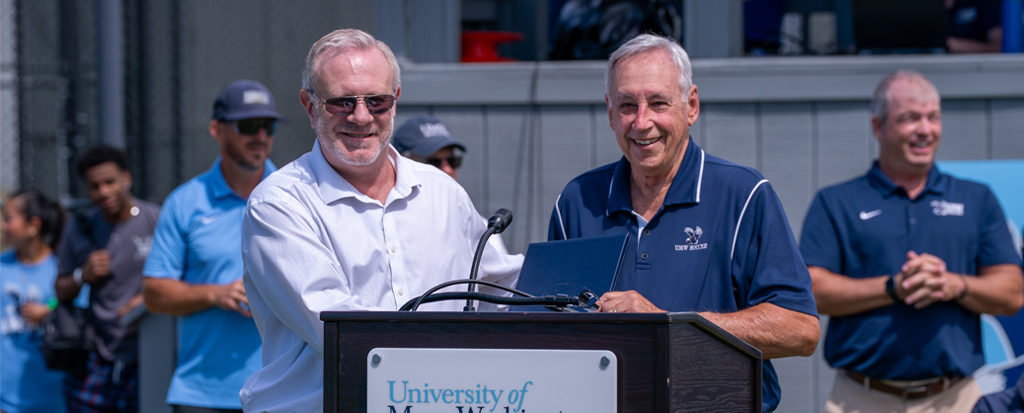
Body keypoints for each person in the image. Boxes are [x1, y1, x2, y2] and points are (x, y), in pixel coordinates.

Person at [239, 28, 522, 412]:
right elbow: (342, 330)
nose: (361, 116)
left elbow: (502, 289)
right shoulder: (280, 204)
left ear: (396, 101)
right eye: (341, 102)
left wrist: (587, 302)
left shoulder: (442, 191)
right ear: (309, 106)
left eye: (377, 101)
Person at [546, 33, 820, 412]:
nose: (642, 123)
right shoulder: (577, 201)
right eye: (627, 105)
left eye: (658, 103)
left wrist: (667, 324)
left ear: (691, 106)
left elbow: (799, 330)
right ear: (610, 113)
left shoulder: (742, 194)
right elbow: (549, 331)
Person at [800, 70, 1024, 412]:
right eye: (909, 118)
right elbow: (810, 291)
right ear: (878, 127)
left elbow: (1011, 293)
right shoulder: (837, 201)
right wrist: (893, 287)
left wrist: (954, 284)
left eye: (933, 117)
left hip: (959, 399)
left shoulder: (976, 198)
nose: (925, 129)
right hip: (860, 400)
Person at [142, 80, 283, 413]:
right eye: (248, 125)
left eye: (268, 126)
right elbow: (153, 292)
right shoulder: (184, 202)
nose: (261, 136)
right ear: (216, 130)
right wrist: (215, 294)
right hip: (202, 395)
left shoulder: (297, 196)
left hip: (285, 390)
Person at [54, 145, 160, 413]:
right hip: (98, 355)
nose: (103, 192)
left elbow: (184, 275)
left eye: (110, 182)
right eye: (94, 186)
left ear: (127, 178)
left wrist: (147, 296)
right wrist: (82, 275)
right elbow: (60, 290)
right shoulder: (79, 227)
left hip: (149, 353)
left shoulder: (155, 219)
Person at [392, 115, 510, 254]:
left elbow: (503, 273)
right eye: (433, 162)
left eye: (453, 160)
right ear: (402, 163)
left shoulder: (479, 226)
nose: (447, 169)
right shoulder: (387, 221)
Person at [1, 189, 68, 413]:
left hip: (54, 399)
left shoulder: (61, 269)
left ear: (33, 225)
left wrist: (48, 310)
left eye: (8, 219)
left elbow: (78, 312)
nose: (3, 226)